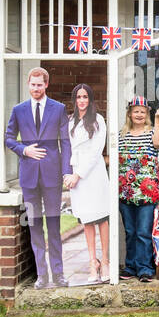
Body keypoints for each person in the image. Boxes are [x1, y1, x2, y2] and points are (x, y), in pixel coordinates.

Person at [4, 67, 71, 288]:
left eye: (40, 85)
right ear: (28, 84)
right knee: (34, 225)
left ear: (46, 85)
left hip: (52, 175)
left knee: (53, 225)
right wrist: (25, 150)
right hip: (29, 175)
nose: (36, 88)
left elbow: (66, 142)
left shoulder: (59, 109)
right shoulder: (19, 110)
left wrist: (65, 171)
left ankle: (58, 274)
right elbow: (9, 138)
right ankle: (42, 275)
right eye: (32, 85)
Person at [65, 83, 111, 283]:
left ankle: (106, 260)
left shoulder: (98, 120)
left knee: (101, 217)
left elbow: (95, 152)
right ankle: (93, 262)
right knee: (86, 219)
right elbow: (67, 148)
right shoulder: (71, 121)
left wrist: (79, 175)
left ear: (90, 99)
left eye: (85, 97)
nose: (82, 100)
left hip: (94, 173)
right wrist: (70, 174)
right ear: (74, 100)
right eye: (78, 97)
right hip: (77, 173)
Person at [118, 96, 159, 282]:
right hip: (125, 190)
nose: (138, 114)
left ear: (147, 114)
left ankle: (145, 268)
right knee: (130, 231)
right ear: (130, 113)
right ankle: (130, 267)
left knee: (143, 232)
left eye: (142, 112)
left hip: (147, 191)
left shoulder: (152, 131)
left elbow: (158, 143)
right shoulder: (121, 134)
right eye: (135, 111)